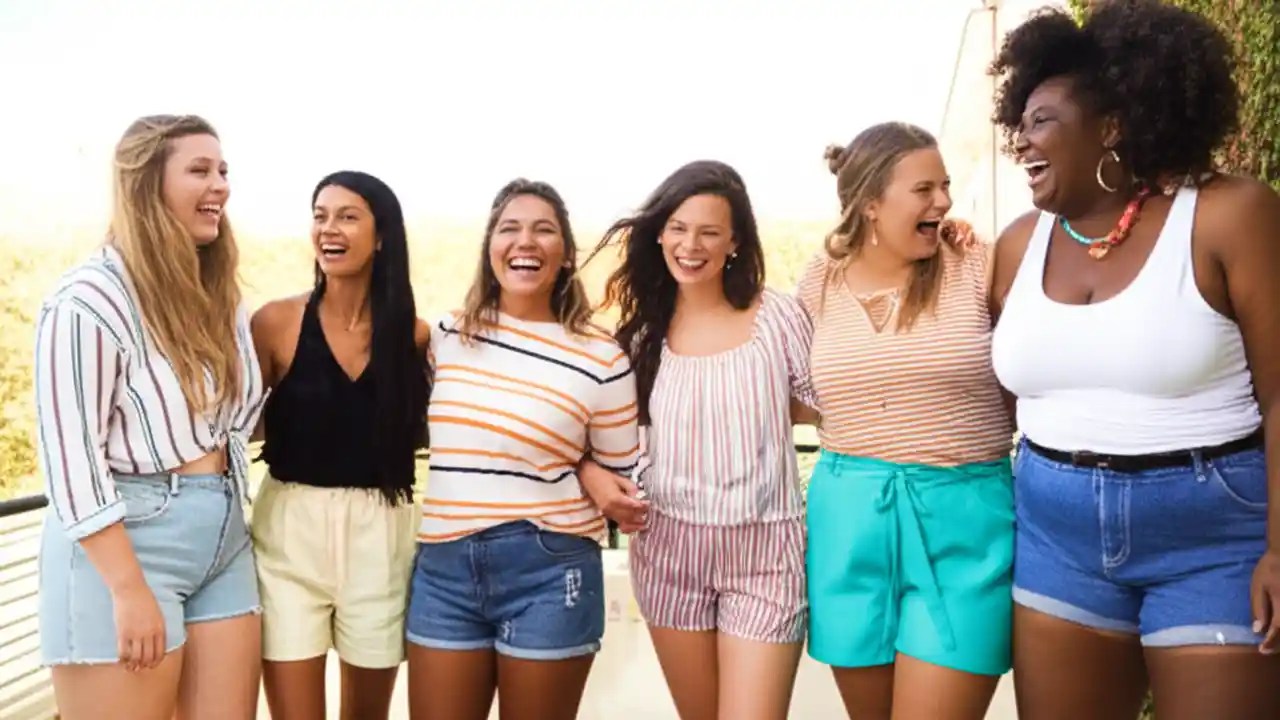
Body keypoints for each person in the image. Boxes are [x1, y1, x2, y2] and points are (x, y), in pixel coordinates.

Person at [987, 2, 1280, 718]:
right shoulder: (1018, 245)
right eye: (1020, 122)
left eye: (1042, 120)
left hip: (1214, 540)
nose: (1022, 140)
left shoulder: (1228, 214)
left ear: (1112, 126)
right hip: (1055, 533)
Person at [33, 114, 266, 720]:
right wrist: (127, 588)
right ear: (145, 183)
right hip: (128, 544)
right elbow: (72, 458)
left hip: (224, 535)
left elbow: (238, 419)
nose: (220, 185)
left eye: (223, 170)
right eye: (199, 170)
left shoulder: (218, 296)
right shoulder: (87, 300)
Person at [577, 159, 816, 720]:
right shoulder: (639, 336)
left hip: (765, 553)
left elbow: (832, 407)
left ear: (735, 241)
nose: (691, 245)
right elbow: (582, 433)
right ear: (659, 233)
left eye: (709, 231)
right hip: (668, 551)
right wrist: (594, 479)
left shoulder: (778, 316)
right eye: (679, 228)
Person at [798, 122, 1015, 720]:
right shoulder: (820, 278)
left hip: (965, 524)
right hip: (850, 520)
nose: (943, 201)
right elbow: (794, 387)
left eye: (944, 186)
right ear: (871, 203)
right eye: (924, 189)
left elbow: (1031, 370)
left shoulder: (977, 263)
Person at [404, 178, 641, 720]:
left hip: (550, 567)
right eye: (509, 228)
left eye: (543, 230)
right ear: (490, 249)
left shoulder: (602, 358)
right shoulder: (446, 337)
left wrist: (585, 466)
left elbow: (618, 477)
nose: (525, 241)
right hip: (444, 569)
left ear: (566, 254)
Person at [248, 170, 430, 720]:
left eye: (348, 217)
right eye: (320, 215)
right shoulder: (276, 323)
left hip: (382, 532)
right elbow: (234, 426)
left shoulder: (416, 336)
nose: (329, 228)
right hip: (289, 533)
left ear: (382, 236)